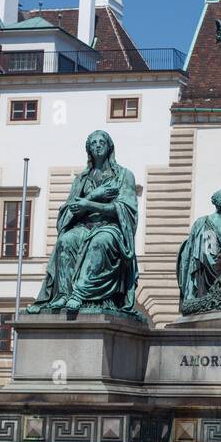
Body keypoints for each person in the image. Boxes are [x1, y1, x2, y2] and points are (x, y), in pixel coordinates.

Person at [28, 130, 140, 316]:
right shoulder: (81, 179)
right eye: (93, 143)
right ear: (88, 149)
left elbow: (125, 209)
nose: (97, 145)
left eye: (101, 142)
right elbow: (69, 211)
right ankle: (64, 293)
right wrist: (94, 196)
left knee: (100, 242)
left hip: (110, 227)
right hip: (83, 227)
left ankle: (79, 294)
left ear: (109, 146)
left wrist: (89, 204)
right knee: (65, 241)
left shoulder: (124, 175)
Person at [177, 190, 221, 302]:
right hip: (219, 270)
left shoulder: (200, 222)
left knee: (201, 294)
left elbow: (189, 249)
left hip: (200, 266)